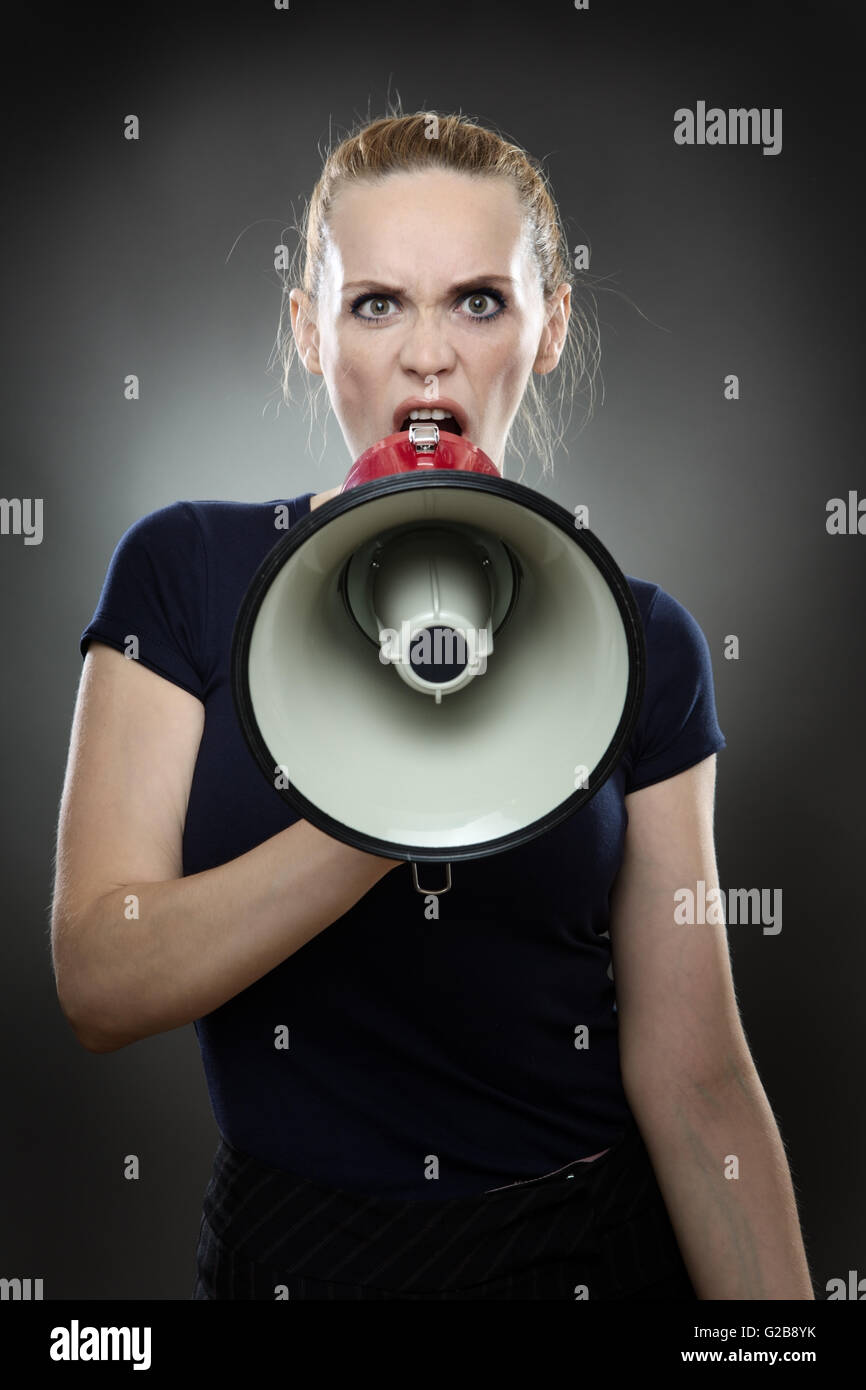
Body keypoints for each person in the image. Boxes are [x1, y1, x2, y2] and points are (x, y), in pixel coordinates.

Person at [50, 109, 815, 1301]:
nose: (425, 356)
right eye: (374, 303)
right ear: (307, 328)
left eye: (476, 300)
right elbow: (100, 978)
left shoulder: (642, 642)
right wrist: (393, 799)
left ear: (546, 326)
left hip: (580, 1249)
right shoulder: (183, 574)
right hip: (292, 1256)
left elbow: (698, 1075)